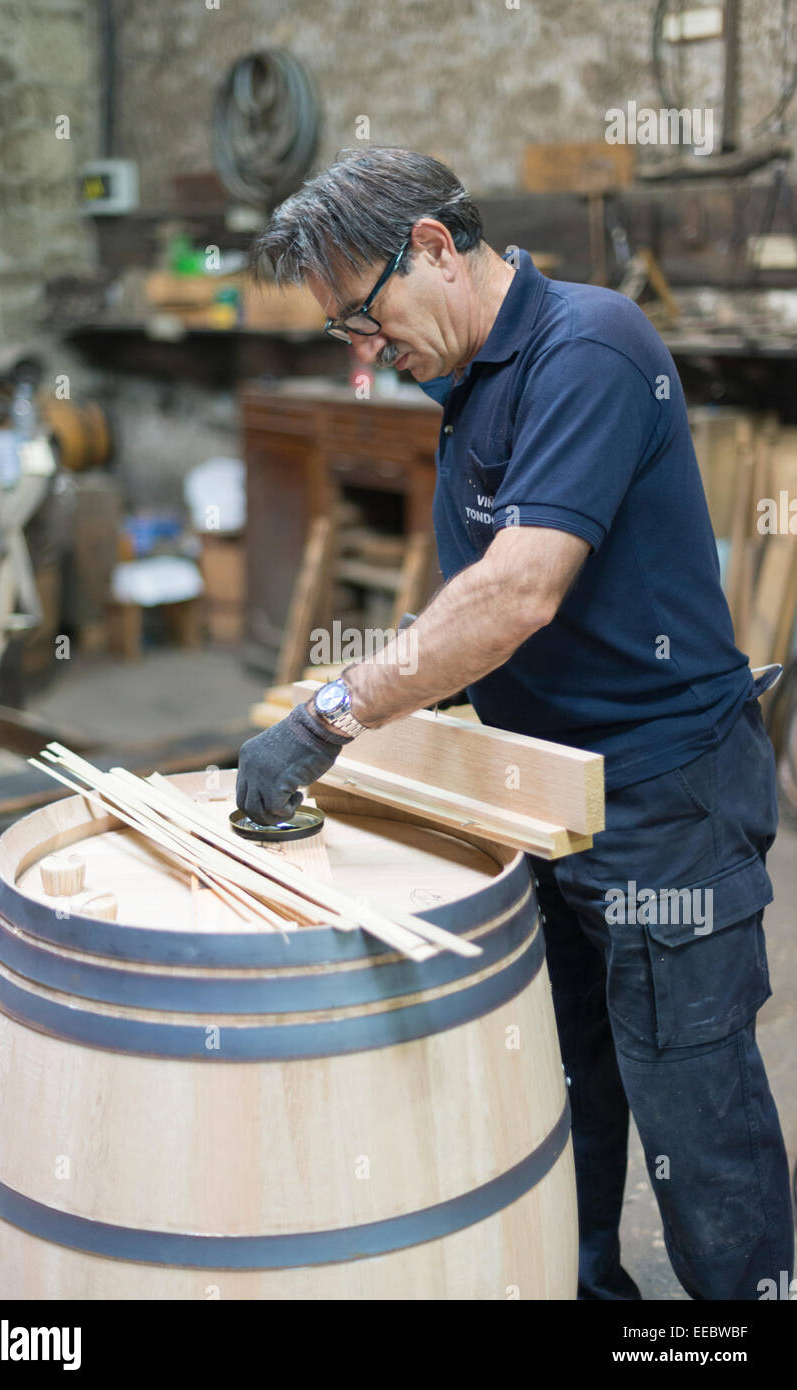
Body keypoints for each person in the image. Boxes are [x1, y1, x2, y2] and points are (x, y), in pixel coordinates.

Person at [236, 146, 793, 1301]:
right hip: (544, 794)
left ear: (433, 247)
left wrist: (330, 713)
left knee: (696, 1112)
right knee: (563, 1083)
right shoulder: (469, 377)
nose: (365, 357)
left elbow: (517, 592)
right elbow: (473, 606)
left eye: (364, 317)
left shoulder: (589, 348)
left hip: (663, 795)